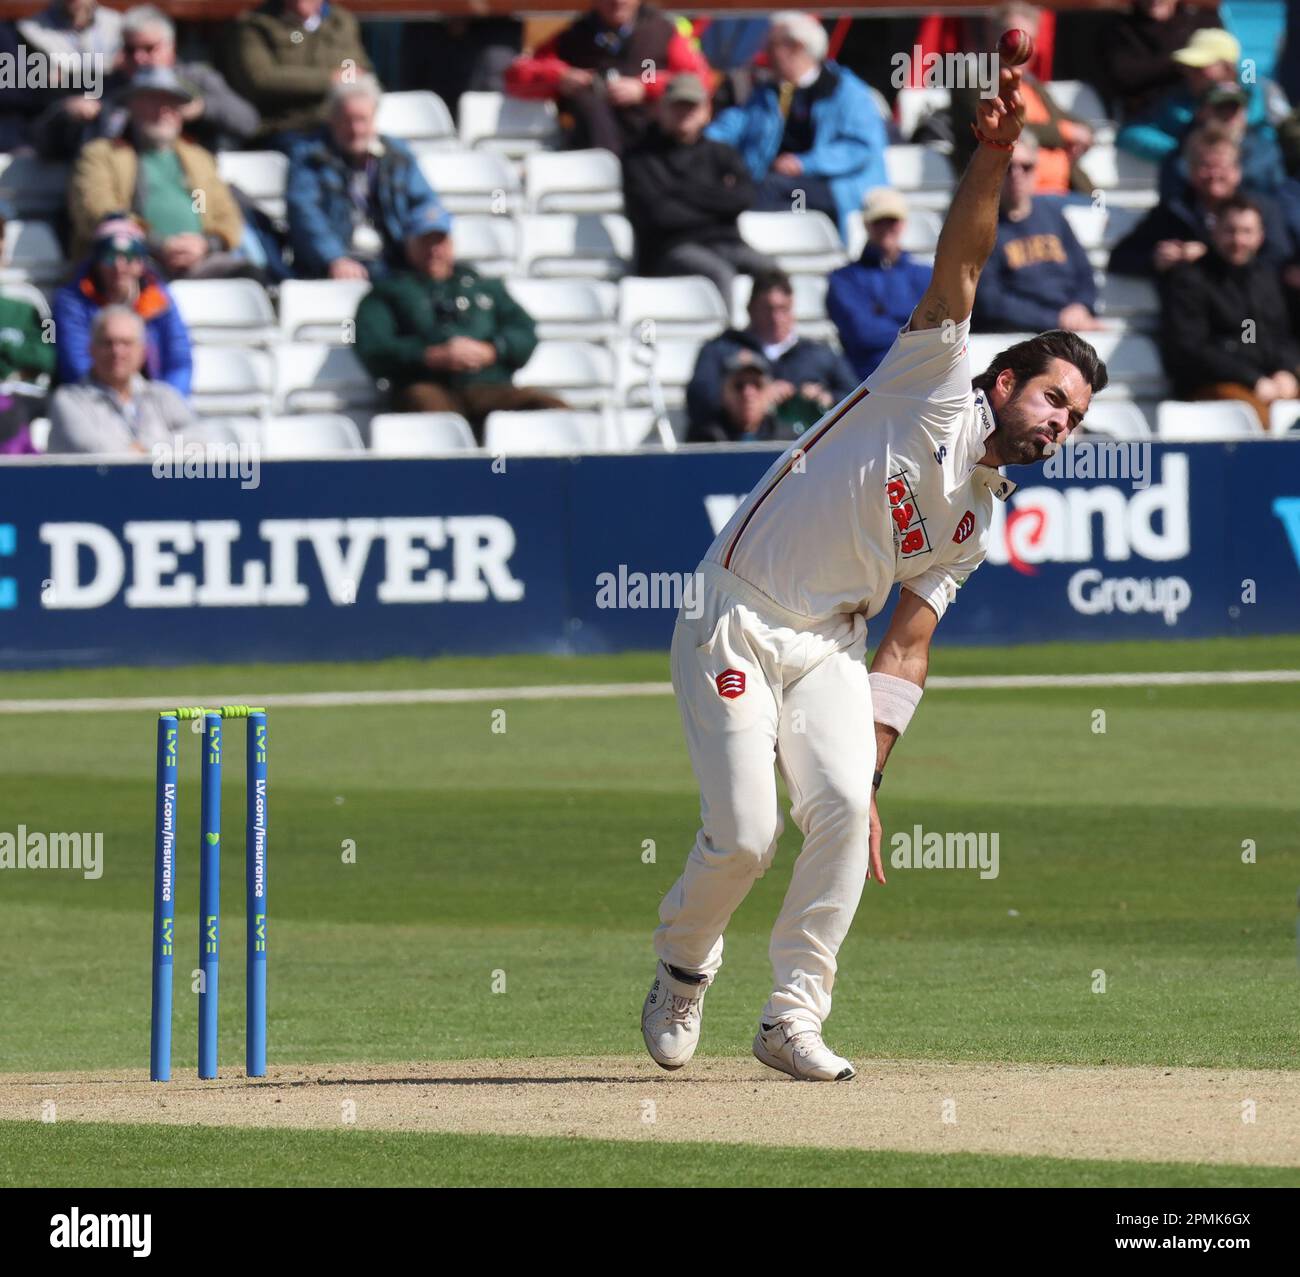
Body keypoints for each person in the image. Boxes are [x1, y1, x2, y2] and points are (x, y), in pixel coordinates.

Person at [641, 50, 1108, 1081]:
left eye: (1074, 419)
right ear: (1003, 379)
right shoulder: (931, 378)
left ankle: (790, 1016)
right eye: (1049, 400)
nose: (1059, 423)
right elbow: (966, 264)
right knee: (748, 834)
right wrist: (991, 155)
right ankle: (683, 963)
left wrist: (872, 768)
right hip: (733, 612)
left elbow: (907, 643)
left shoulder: (977, 521)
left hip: (827, 651)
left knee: (845, 812)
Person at [353, 205, 567, 441]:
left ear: (452, 244)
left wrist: (492, 350)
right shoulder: (389, 292)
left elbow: (525, 331)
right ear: (409, 245)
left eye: (440, 241)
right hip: (426, 385)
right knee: (436, 416)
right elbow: (373, 346)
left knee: (550, 408)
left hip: (488, 386)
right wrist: (429, 356)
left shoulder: (483, 286)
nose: (434, 250)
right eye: (426, 242)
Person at [705, 11, 887, 241]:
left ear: (796, 47)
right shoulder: (769, 93)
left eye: (771, 46)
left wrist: (803, 164)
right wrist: (699, 140)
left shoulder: (848, 92)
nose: (764, 54)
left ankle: (750, 244)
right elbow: (736, 124)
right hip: (776, 184)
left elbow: (860, 148)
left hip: (838, 188)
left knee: (767, 189)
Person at [68, 67, 247, 277]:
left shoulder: (199, 159)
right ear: (132, 106)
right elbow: (98, 212)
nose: (164, 111)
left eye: (172, 102)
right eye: (153, 101)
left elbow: (224, 214)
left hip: (200, 259)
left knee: (250, 275)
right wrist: (158, 244)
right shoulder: (101, 154)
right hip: (132, 259)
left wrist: (205, 244)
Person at [34, 4, 261, 160]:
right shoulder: (106, 84)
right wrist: (66, 114)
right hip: (119, 190)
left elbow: (249, 122)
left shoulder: (196, 79)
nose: (139, 58)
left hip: (190, 188)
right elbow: (41, 141)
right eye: (130, 49)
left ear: (171, 46)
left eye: (149, 48)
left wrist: (200, 108)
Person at [620, 72, 773, 297]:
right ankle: (726, 333)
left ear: (706, 112)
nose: (684, 114)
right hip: (670, 249)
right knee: (719, 274)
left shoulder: (722, 153)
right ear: (661, 108)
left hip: (727, 243)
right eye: (677, 106)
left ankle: (761, 331)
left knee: (773, 273)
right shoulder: (639, 156)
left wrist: (682, 192)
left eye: (691, 107)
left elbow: (745, 197)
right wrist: (720, 202)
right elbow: (658, 214)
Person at [1160, 194, 1300, 426]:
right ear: (1214, 232)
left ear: (1260, 235)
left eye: (1247, 232)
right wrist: (1253, 379)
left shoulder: (1267, 280)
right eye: (1230, 230)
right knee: (1257, 419)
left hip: (1269, 384)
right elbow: (1190, 349)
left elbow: (1284, 337)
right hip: (1211, 386)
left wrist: (1286, 372)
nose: (1238, 240)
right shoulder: (1190, 280)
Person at [287, 76, 443, 281]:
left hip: (392, 260)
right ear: (332, 120)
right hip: (333, 265)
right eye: (347, 120)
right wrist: (334, 258)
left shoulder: (397, 155)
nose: (356, 129)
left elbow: (424, 203)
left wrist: (427, 245)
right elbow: (304, 213)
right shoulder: (310, 158)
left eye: (362, 120)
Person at [504, 0, 710, 156]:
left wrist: (645, 87)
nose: (617, 1)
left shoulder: (661, 31)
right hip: (591, 149)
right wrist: (560, 76)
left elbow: (696, 80)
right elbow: (517, 75)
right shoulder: (576, 36)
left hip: (653, 151)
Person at [687, 267, 857, 436]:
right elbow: (698, 401)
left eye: (783, 309)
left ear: (793, 310)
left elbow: (855, 396)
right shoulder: (723, 349)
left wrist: (827, 398)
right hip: (739, 446)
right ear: (750, 308)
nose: (775, 317)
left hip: (805, 449)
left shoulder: (818, 353)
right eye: (767, 309)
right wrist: (753, 395)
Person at [1109, 125, 1295, 277]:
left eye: (1221, 166)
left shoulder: (1262, 209)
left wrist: (1212, 257)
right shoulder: (1173, 211)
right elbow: (1120, 258)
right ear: (1189, 171)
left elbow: (1278, 259)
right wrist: (1156, 259)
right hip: (1192, 313)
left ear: (1237, 171)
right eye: (1205, 166)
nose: (1214, 175)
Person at [949, 3, 1095, 197]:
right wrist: (1065, 133)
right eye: (1015, 40)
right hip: (1004, 201)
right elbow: (1000, 128)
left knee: (1106, 213)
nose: (1024, 50)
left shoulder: (1035, 88)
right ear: (992, 39)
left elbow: (1078, 124)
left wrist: (1082, 132)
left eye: (1030, 41)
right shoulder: (972, 83)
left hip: (1065, 193)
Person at [973, 132, 1101, 333]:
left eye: (1026, 167)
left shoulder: (1052, 214)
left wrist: (1081, 307)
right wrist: (1055, 321)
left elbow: (1084, 273)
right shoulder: (980, 227)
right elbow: (990, 301)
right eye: (1007, 168)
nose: (1017, 175)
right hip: (1015, 336)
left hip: (1070, 327)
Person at [53, 216, 192, 394]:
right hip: (94, 401)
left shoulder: (160, 300)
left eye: (129, 256)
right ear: (97, 261)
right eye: (110, 256)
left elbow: (179, 361)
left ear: (142, 262)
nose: (120, 266)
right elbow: (75, 364)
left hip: (154, 400)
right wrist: (117, 403)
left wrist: (167, 402)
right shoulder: (73, 301)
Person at [224, 0, 374, 152]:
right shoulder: (257, 24)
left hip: (340, 126)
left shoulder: (341, 22)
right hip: (287, 128)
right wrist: (330, 79)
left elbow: (361, 71)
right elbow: (260, 78)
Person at [1117, 27, 1274, 165]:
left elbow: (1276, 139)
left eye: (1201, 68)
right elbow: (1131, 134)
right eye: (1189, 67)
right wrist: (1186, 151)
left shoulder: (1259, 98)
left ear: (1227, 68)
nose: (1191, 74)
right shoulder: (1176, 103)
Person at [46, 305, 193, 453]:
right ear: (91, 348)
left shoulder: (163, 395)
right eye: (108, 343)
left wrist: (145, 448)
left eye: (126, 343)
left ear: (143, 351)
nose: (117, 351)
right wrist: (160, 449)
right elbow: (98, 455)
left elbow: (203, 439)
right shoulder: (69, 401)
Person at [826, 187, 932, 378]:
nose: (886, 228)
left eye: (892, 221)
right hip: (867, 382)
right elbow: (863, 334)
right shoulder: (843, 280)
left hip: (921, 379)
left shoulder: (926, 276)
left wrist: (885, 319)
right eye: (878, 222)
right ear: (866, 224)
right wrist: (914, 330)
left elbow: (940, 334)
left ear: (903, 224)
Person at [1099, 0, 1222, 125]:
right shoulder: (1119, 28)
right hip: (1147, 118)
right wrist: (1179, 61)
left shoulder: (1202, 20)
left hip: (1202, 111)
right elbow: (1124, 75)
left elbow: (1223, 64)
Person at [687, 351, 797, 443]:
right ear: (723, 393)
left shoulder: (787, 440)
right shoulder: (704, 438)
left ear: (769, 392)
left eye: (757, 385)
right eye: (739, 386)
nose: (748, 393)